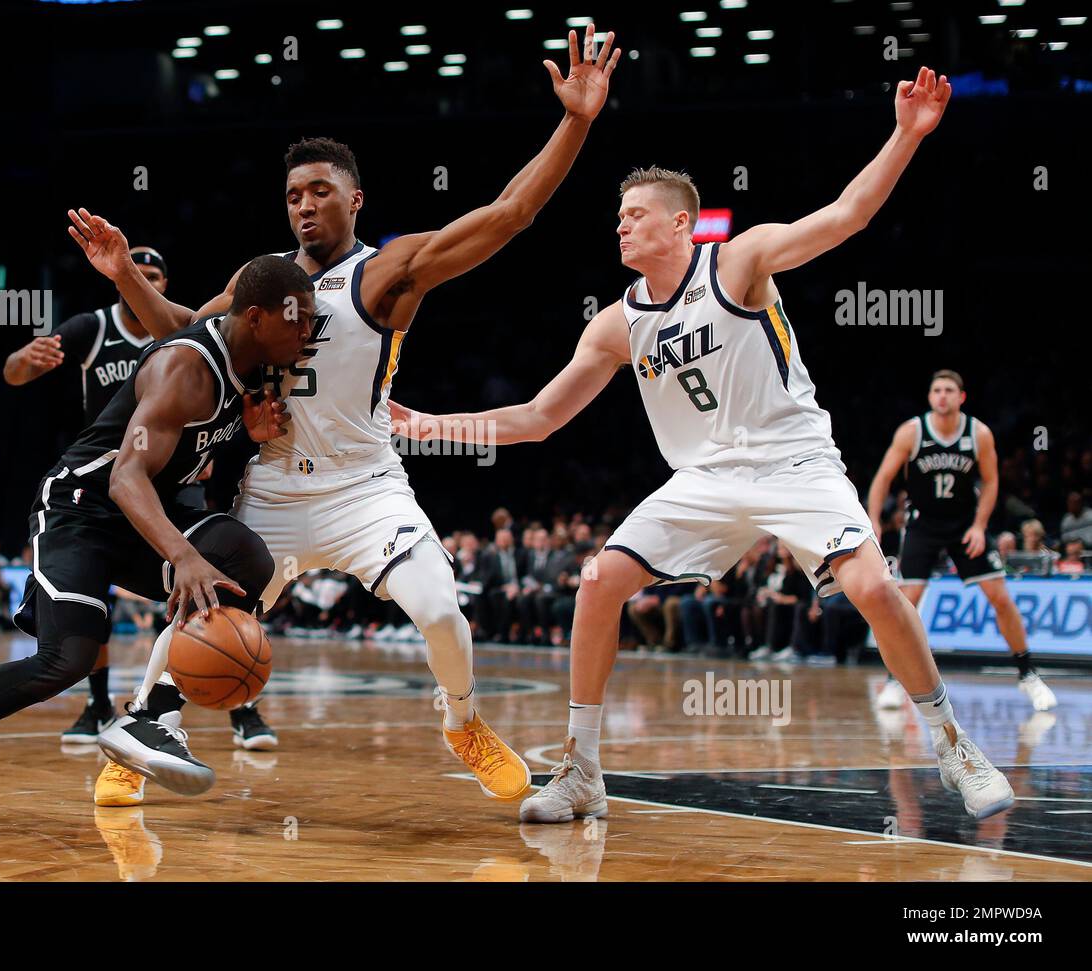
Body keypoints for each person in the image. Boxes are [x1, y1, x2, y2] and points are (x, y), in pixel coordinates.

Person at [393, 66, 1015, 822]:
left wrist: (906, 134)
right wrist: (431, 424)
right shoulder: (617, 322)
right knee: (596, 583)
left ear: (681, 223)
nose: (619, 224)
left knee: (877, 590)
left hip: (794, 460)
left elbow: (847, 215)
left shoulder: (739, 261)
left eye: (634, 214)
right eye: (617, 216)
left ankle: (952, 744)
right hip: (706, 477)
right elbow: (538, 417)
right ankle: (583, 769)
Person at [68, 26, 622, 804]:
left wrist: (576, 121)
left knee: (438, 609)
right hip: (273, 489)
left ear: (354, 199)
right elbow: (188, 336)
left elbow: (509, 213)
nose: (304, 205)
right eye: (293, 194)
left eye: (320, 191)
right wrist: (125, 273)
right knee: (201, 609)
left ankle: (461, 719)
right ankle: (136, 742)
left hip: (365, 485)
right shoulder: (261, 281)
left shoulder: (389, 270)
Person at [0, 256, 313, 830]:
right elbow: (125, 478)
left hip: (144, 515)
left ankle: (152, 717)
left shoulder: (253, 362)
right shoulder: (186, 370)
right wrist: (183, 555)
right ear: (258, 317)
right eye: (299, 320)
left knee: (247, 560)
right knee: (64, 660)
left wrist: (249, 436)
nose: (308, 332)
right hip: (81, 510)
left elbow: (175, 330)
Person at [2, 246, 228, 745]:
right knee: (92, 596)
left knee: (218, 571)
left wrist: (207, 444)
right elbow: (13, 374)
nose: (144, 280)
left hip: (179, 479)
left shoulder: (183, 331)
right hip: (111, 476)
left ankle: (239, 710)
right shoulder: (92, 327)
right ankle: (98, 703)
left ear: (163, 285)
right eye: (136, 272)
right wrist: (23, 360)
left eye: (154, 275)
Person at [867, 370, 1057, 711]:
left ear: (961, 397)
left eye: (949, 390)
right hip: (923, 524)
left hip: (964, 525)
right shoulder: (912, 432)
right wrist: (874, 522)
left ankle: (1029, 674)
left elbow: (991, 482)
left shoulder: (978, 433)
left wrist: (980, 526)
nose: (942, 395)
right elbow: (882, 478)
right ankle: (895, 681)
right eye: (936, 390)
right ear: (929, 397)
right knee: (905, 602)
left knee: (999, 596)